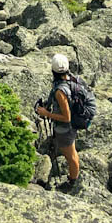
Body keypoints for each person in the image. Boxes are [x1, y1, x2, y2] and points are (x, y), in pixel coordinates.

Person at [36, 52, 80, 190]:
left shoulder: (60, 91)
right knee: (71, 153)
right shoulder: (72, 79)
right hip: (72, 126)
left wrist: (46, 113)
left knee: (71, 155)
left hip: (65, 128)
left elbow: (66, 117)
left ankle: (73, 182)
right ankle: (74, 178)